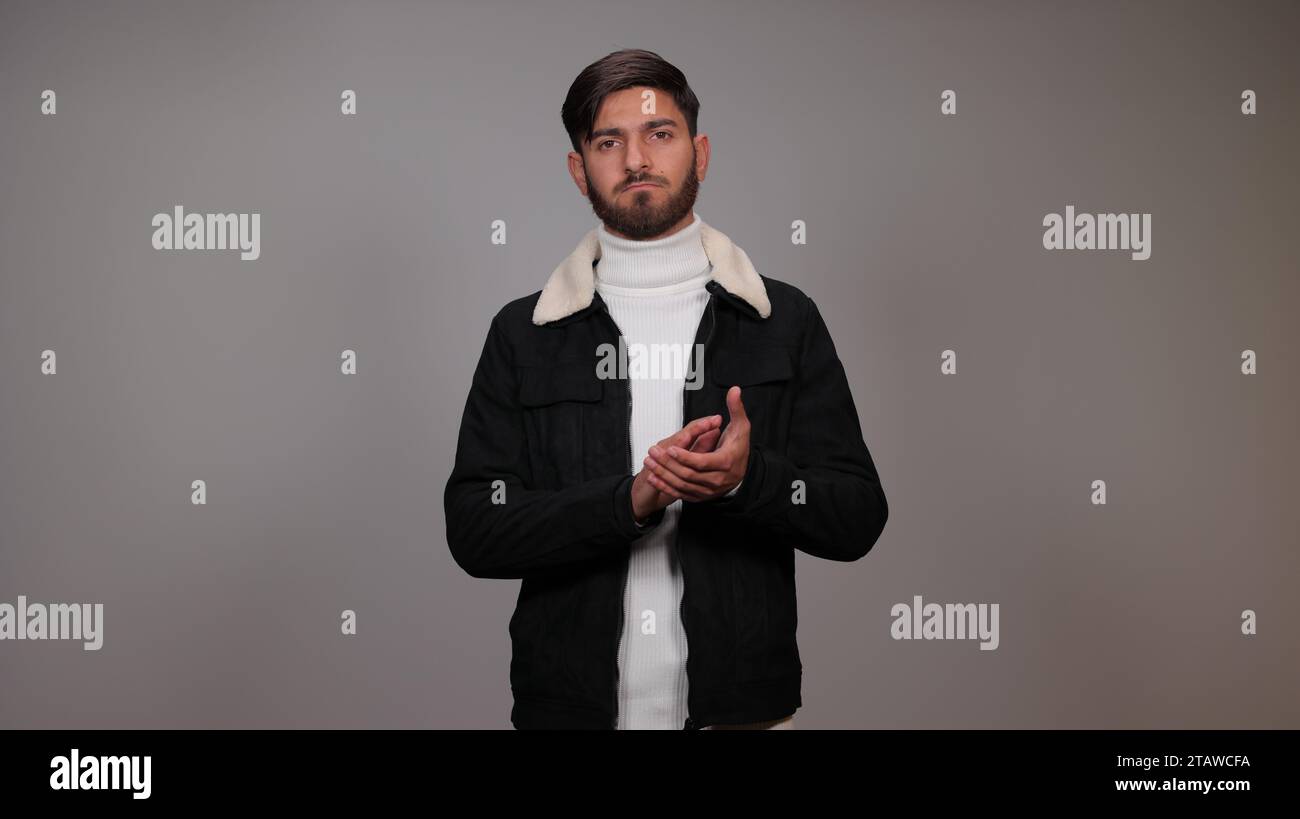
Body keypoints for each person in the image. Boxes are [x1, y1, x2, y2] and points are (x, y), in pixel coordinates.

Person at [444, 48, 888, 729]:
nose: (636, 160)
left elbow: (856, 515)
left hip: (744, 715)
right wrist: (630, 500)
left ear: (700, 153)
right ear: (578, 169)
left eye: (660, 134)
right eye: (608, 141)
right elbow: (476, 531)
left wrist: (747, 480)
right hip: (566, 712)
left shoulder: (782, 319)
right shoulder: (524, 332)